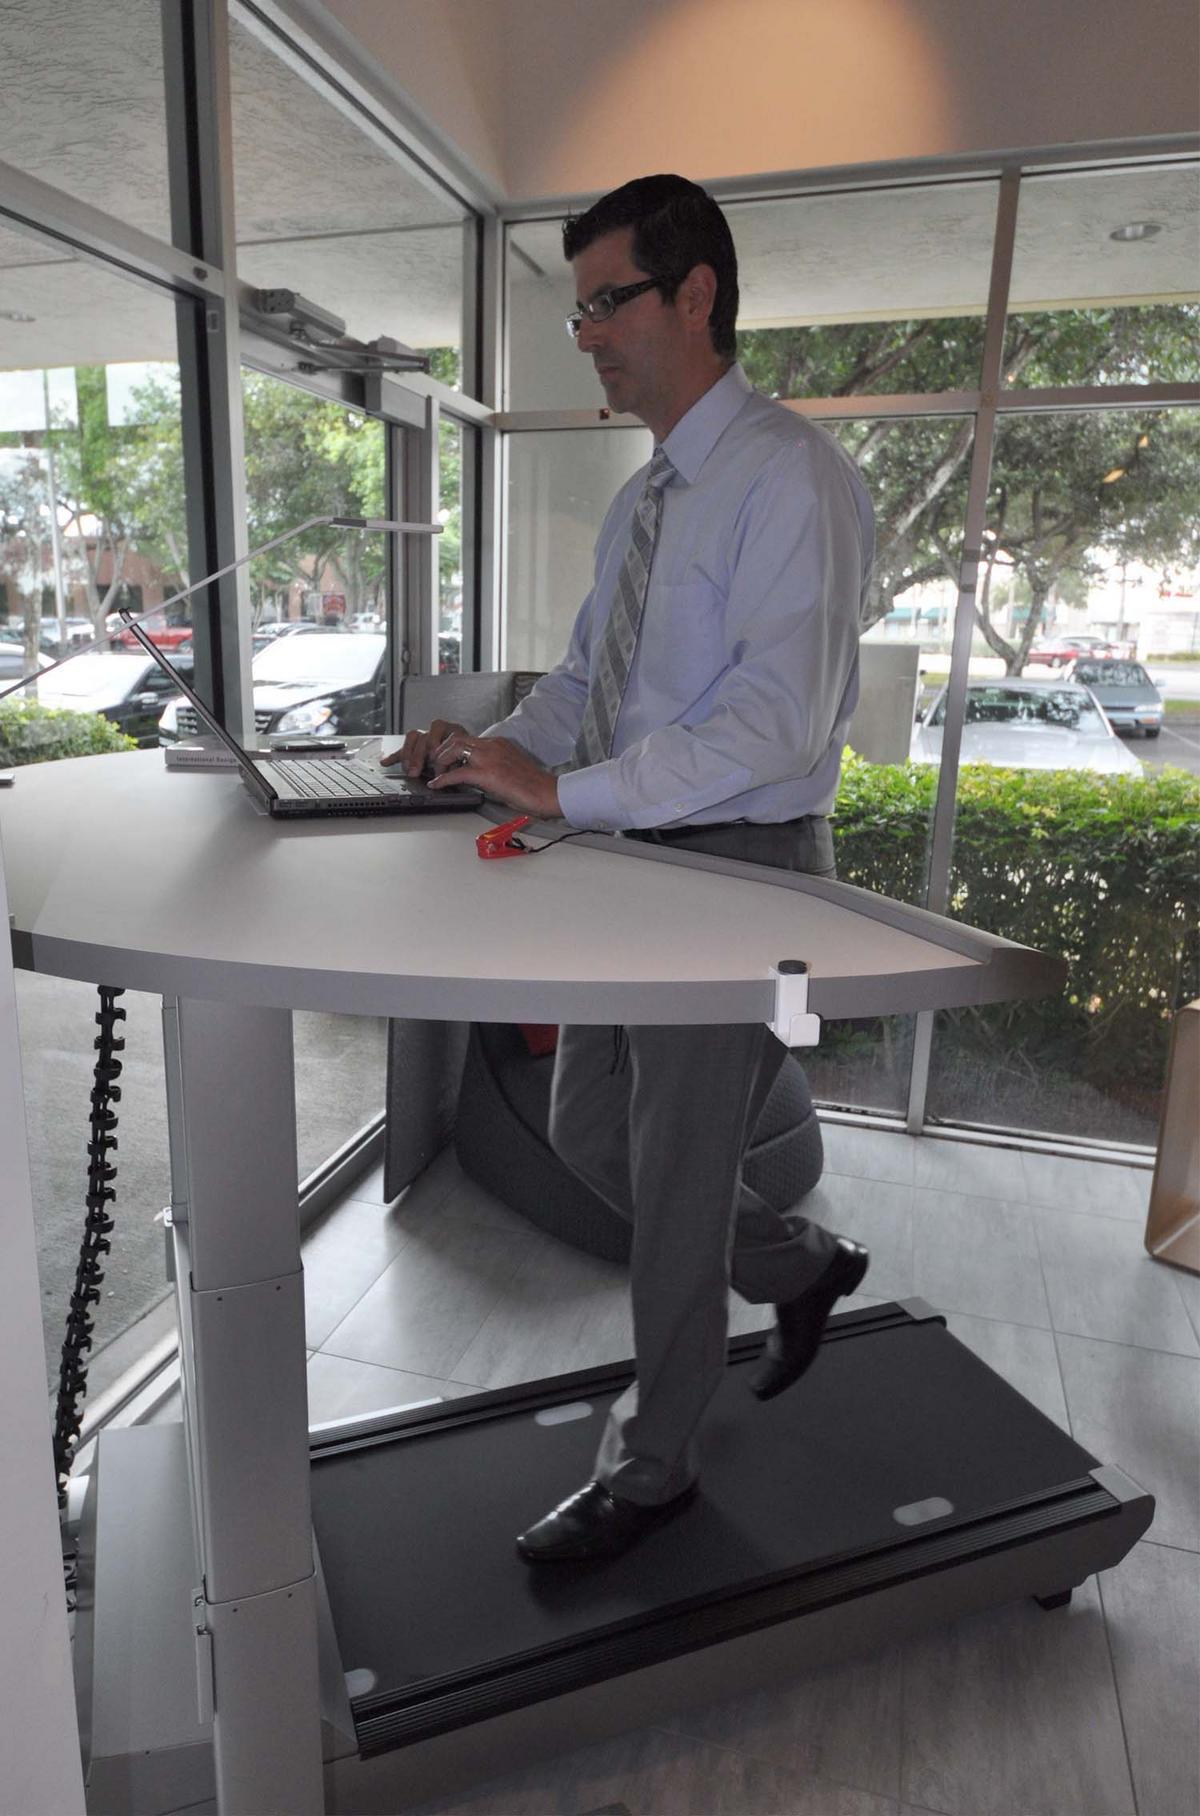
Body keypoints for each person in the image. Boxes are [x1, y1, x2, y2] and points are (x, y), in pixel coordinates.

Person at [389, 175, 874, 1564]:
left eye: (607, 300)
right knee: (591, 1123)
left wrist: (570, 791)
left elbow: (779, 720)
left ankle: (654, 1464)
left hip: (742, 868)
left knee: (667, 1169)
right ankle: (798, 1264)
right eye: (581, 308)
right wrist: (484, 750)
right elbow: (588, 686)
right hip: (637, 853)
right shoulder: (644, 503)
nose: (588, 331)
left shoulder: (791, 479)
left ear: (695, 295)